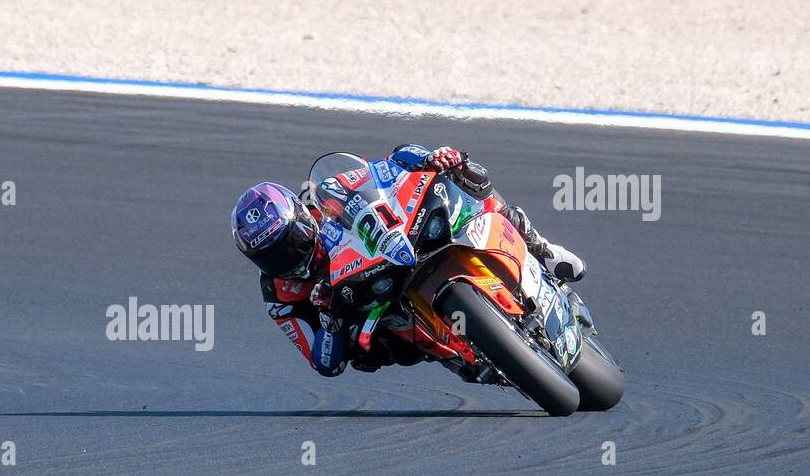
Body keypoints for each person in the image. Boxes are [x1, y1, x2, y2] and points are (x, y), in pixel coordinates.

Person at [230, 145, 585, 377]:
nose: (287, 258)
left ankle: (540, 248)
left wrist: (428, 159)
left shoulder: (328, 198)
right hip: (369, 308)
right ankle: (461, 350)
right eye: (272, 257)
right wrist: (330, 317)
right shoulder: (279, 296)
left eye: (289, 242)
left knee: (465, 178)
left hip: (397, 246)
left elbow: (385, 168)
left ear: (302, 219)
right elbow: (325, 363)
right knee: (373, 351)